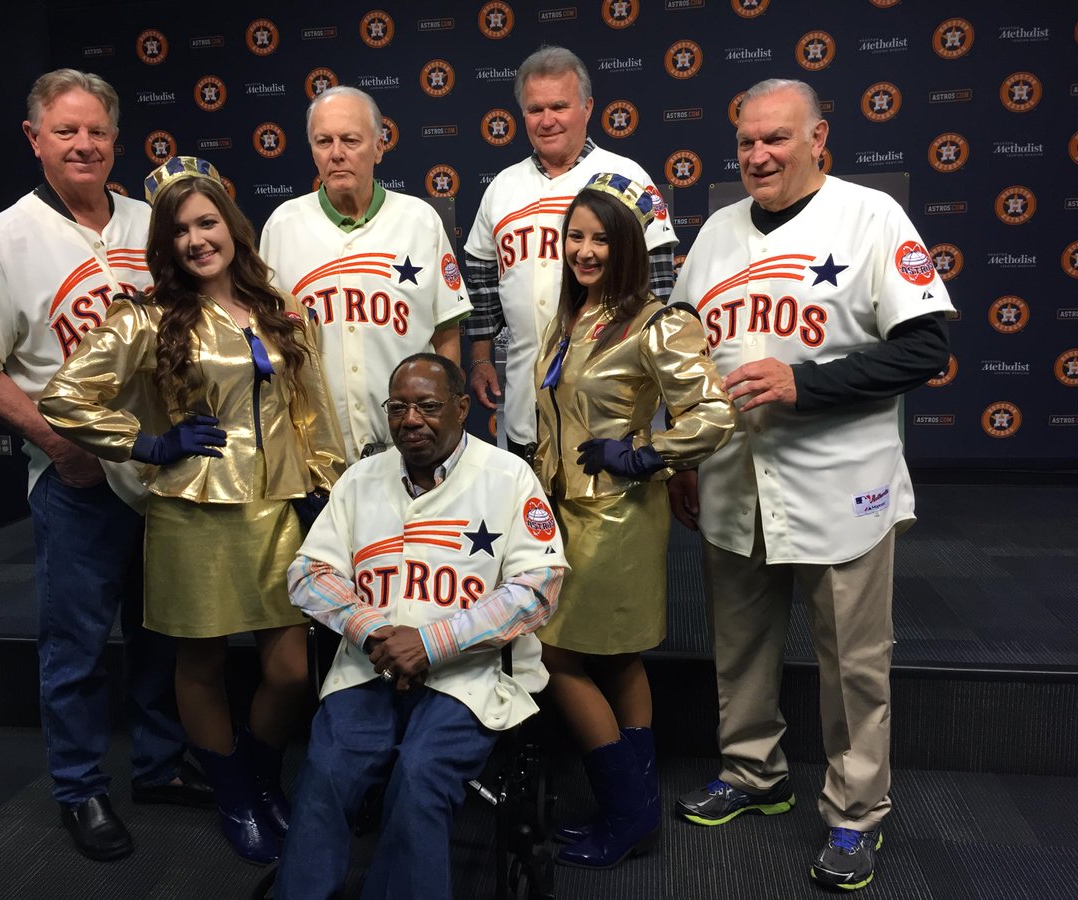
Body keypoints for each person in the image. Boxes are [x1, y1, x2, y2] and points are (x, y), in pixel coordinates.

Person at [669, 78, 954, 891]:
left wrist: (807, 383)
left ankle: (856, 812)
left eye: (777, 139)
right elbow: (683, 357)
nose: (759, 155)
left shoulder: (870, 217)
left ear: (818, 139)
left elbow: (926, 348)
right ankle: (752, 770)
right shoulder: (717, 233)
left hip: (841, 482)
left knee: (854, 663)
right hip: (736, 477)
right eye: (747, 142)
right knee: (741, 644)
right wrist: (684, 456)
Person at [38, 156, 346, 865]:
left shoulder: (281, 309)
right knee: (200, 663)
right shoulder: (148, 317)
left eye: (206, 223)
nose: (195, 240)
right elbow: (64, 398)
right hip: (193, 512)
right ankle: (237, 798)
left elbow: (315, 410)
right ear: (164, 245)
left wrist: (327, 488)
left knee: (290, 670)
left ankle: (259, 778)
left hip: (278, 511)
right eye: (178, 231)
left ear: (231, 226)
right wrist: (146, 444)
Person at [0, 69, 211, 862]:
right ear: (35, 139)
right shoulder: (8, 238)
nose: (83, 144)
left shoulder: (148, 223)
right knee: (77, 647)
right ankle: (79, 788)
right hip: (79, 483)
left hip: (162, 474)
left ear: (116, 140)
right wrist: (58, 445)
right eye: (66, 131)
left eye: (96, 131)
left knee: (161, 635)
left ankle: (159, 765)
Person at [274, 353, 568, 900]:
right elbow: (309, 573)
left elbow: (538, 588)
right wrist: (373, 631)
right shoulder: (359, 479)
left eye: (428, 406)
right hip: (371, 664)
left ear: (462, 407)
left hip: (470, 674)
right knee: (328, 769)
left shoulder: (508, 477)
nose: (411, 419)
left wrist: (432, 643)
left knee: (420, 774)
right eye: (399, 407)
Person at [532, 174, 735, 869]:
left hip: (616, 515)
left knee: (555, 654)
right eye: (575, 236)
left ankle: (628, 810)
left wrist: (648, 454)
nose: (585, 251)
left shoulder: (658, 322)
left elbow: (714, 414)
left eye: (601, 239)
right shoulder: (572, 315)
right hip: (562, 510)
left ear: (629, 247)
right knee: (617, 657)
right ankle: (637, 806)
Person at [465, 45, 678, 463]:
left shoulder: (627, 176)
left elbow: (660, 287)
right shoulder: (502, 187)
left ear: (587, 107)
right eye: (535, 109)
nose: (547, 120)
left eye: (559, 106)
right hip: (525, 400)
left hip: (608, 404)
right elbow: (481, 276)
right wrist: (481, 359)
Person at [259, 86, 473, 465]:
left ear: (379, 147)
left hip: (409, 448)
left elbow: (446, 333)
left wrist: (446, 425)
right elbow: (267, 345)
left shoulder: (420, 221)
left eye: (350, 140)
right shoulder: (282, 227)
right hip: (316, 453)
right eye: (324, 141)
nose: (337, 153)